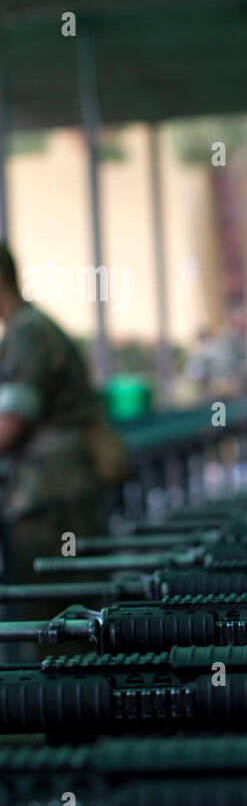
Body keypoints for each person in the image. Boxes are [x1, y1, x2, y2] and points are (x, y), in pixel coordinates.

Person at [0, 245, 120, 654]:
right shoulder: (34, 325)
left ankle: (73, 708)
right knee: (71, 615)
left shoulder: (25, 331)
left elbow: (12, 423)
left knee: (57, 624)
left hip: (51, 499)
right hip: (64, 493)